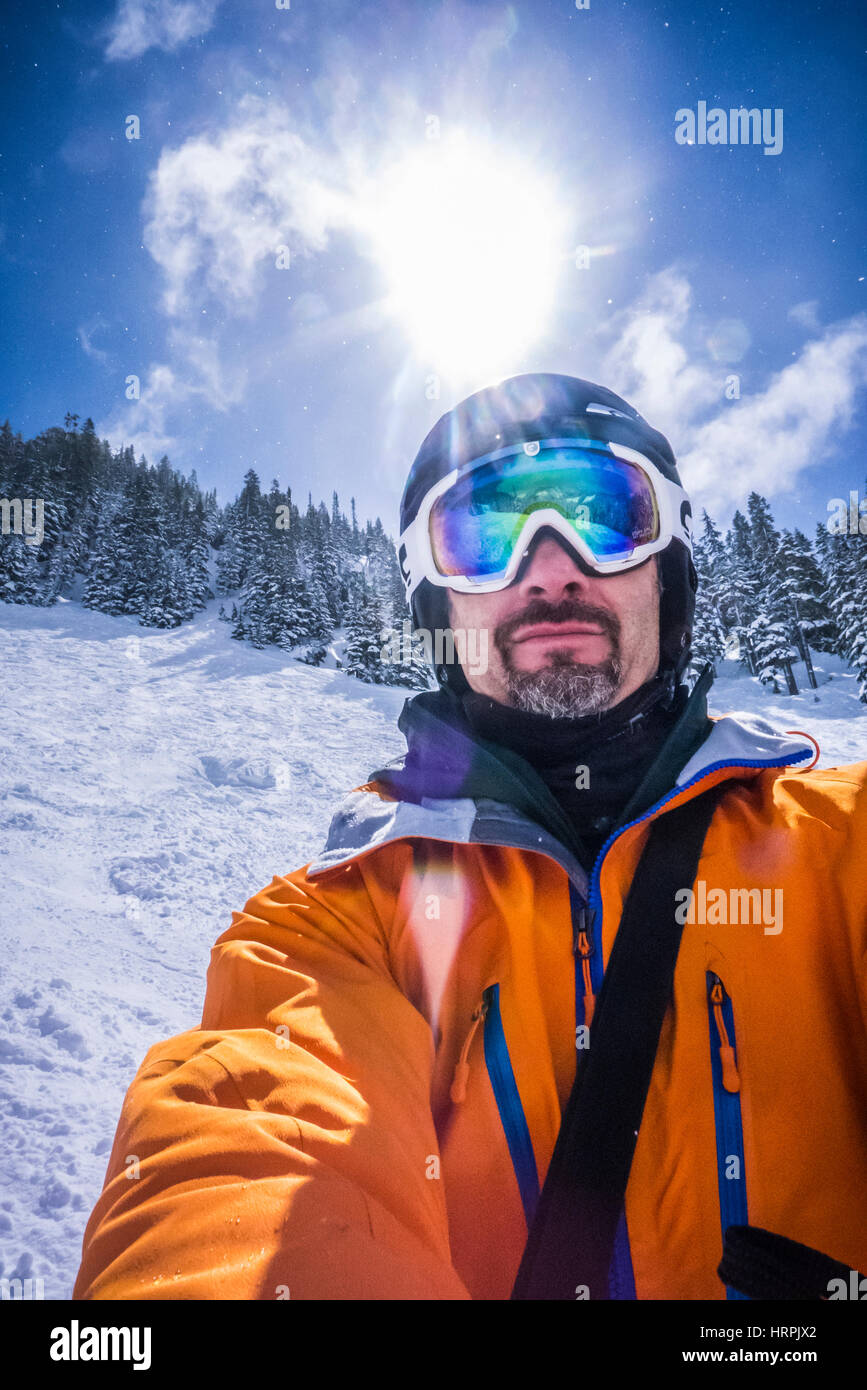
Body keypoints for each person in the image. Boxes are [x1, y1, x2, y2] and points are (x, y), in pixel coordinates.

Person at [73, 372, 867, 1301]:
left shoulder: (838, 852)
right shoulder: (334, 924)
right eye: (482, 536)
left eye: (605, 514)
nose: (549, 566)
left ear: (670, 567)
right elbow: (249, 1154)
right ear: (436, 607)